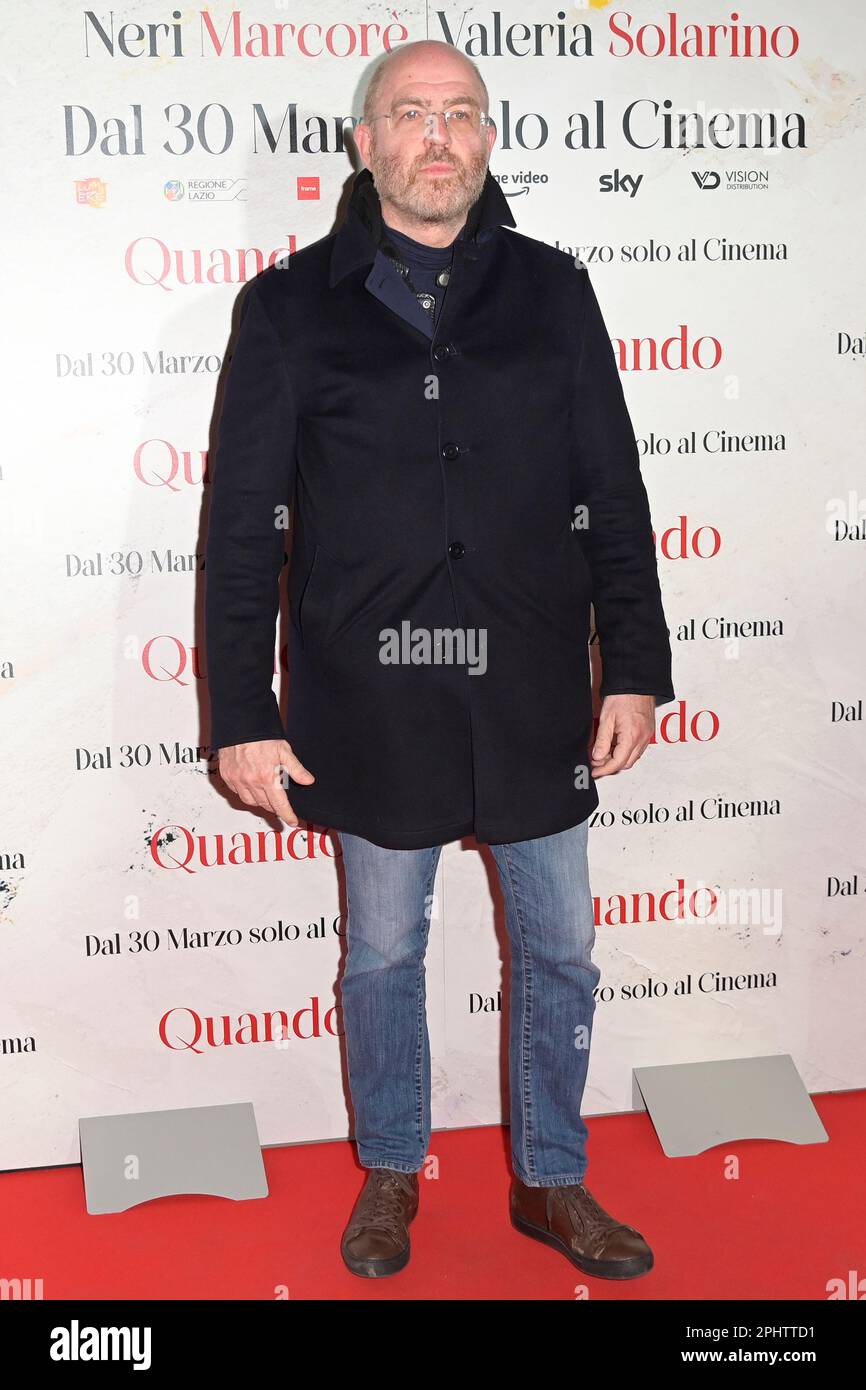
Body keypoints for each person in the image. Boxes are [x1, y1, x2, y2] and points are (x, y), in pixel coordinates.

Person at [204, 39, 675, 1283]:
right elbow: (243, 525)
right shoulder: (288, 306)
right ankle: (392, 1169)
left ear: (485, 137)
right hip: (368, 701)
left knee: (563, 949)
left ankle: (551, 1179)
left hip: (531, 695)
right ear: (363, 142)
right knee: (381, 954)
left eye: (459, 114)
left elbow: (610, 491)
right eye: (408, 114)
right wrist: (242, 713)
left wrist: (630, 660)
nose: (435, 136)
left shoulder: (553, 292)